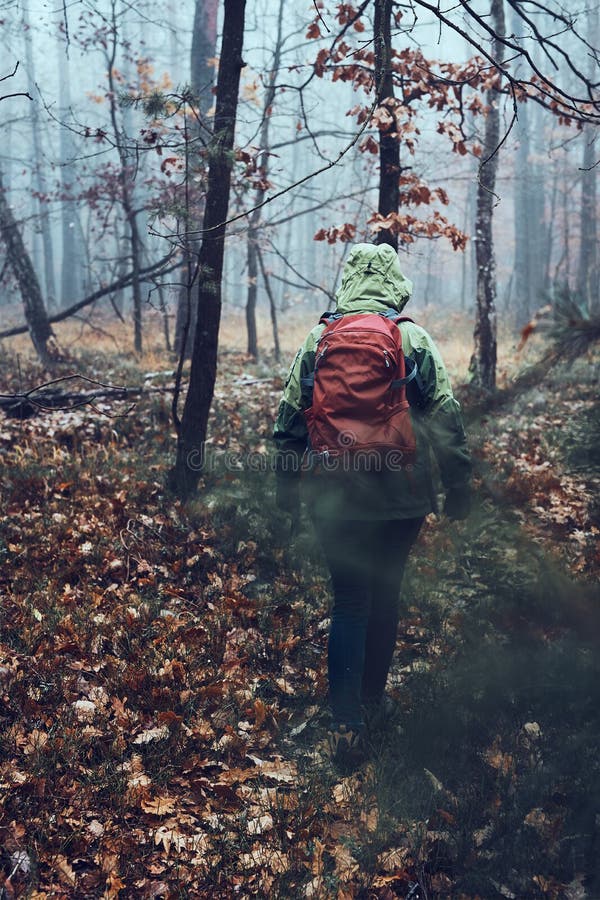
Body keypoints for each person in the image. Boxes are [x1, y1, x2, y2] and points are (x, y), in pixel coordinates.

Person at [273, 242, 471, 767]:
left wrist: (286, 499)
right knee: (384, 597)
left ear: (346, 281)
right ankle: (373, 704)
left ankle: (345, 723)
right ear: (394, 281)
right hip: (400, 496)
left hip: (333, 495)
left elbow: (289, 423)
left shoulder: (319, 340)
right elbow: (446, 415)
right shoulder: (413, 339)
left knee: (349, 601)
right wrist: (459, 486)